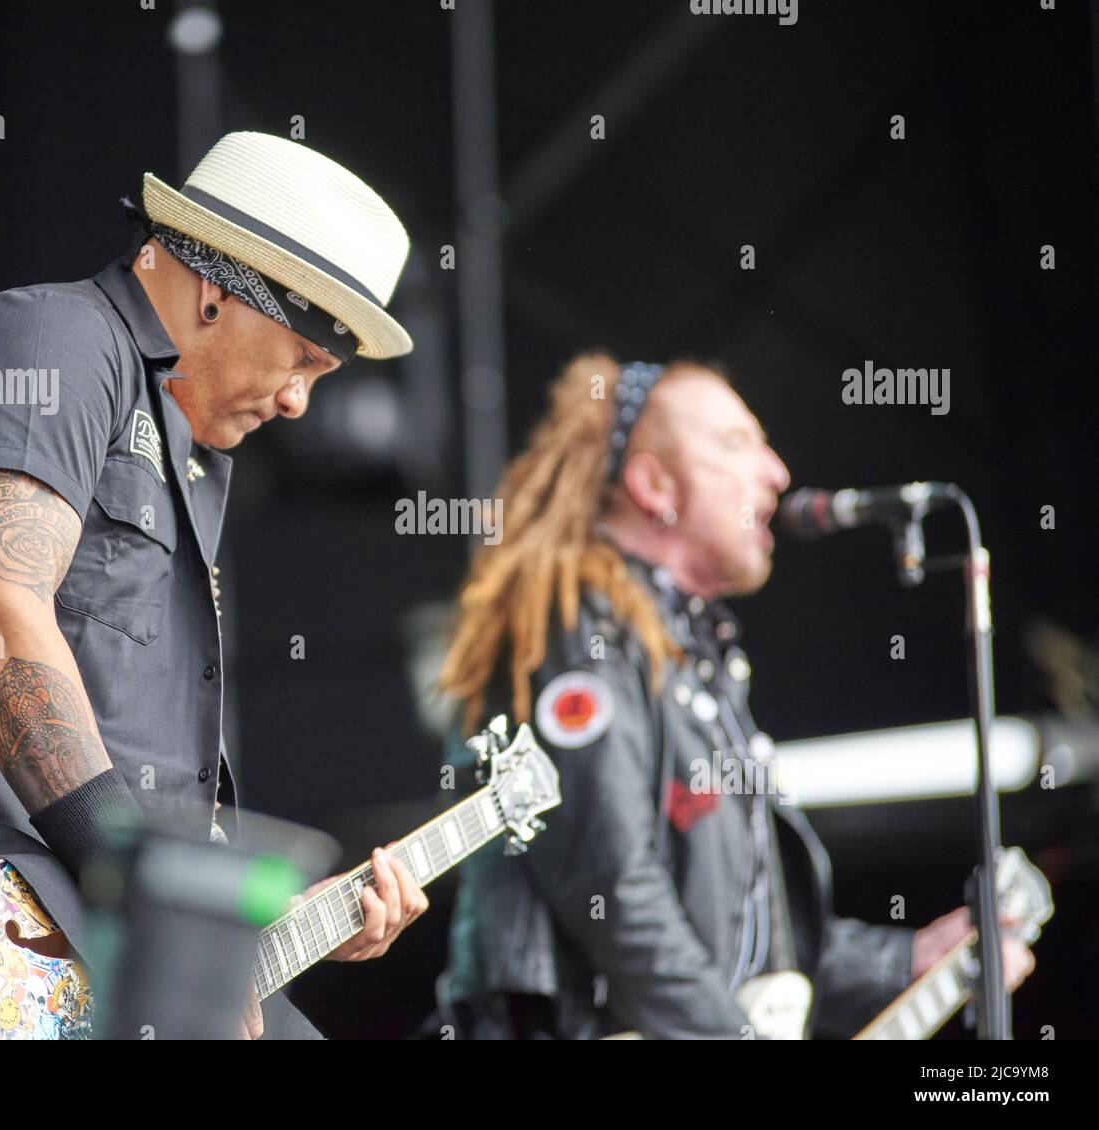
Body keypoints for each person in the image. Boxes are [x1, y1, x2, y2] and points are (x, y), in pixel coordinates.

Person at [0, 131, 429, 1040]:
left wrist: (250, 912)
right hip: (11, 924)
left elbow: (138, 749)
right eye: (303, 357)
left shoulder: (193, 456)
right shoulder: (56, 340)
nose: (298, 402)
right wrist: (153, 894)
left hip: (115, 917)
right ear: (218, 289)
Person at [435, 353, 1033, 1039]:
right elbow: (614, 891)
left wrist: (907, 960)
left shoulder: (692, 657)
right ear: (655, 483)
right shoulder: (574, 627)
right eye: (736, 444)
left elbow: (754, 950)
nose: (776, 472)